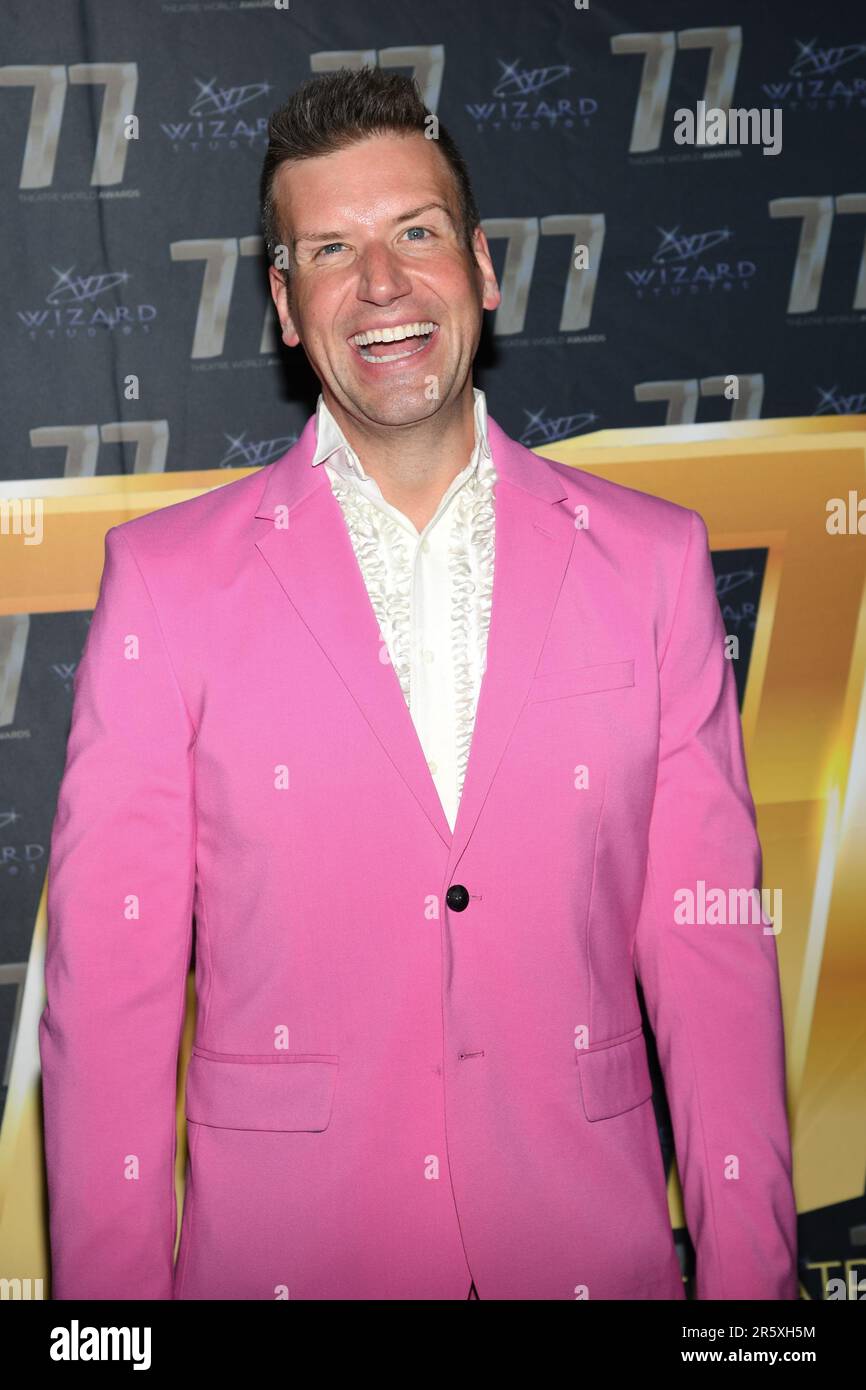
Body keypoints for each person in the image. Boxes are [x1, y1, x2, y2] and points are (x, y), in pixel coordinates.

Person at [39, 66, 798, 1301]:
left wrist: (753, 1306)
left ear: (483, 270)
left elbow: (711, 963)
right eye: (330, 249)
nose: (380, 284)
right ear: (286, 307)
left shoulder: (650, 562)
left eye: (414, 233)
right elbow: (109, 1003)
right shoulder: (165, 585)